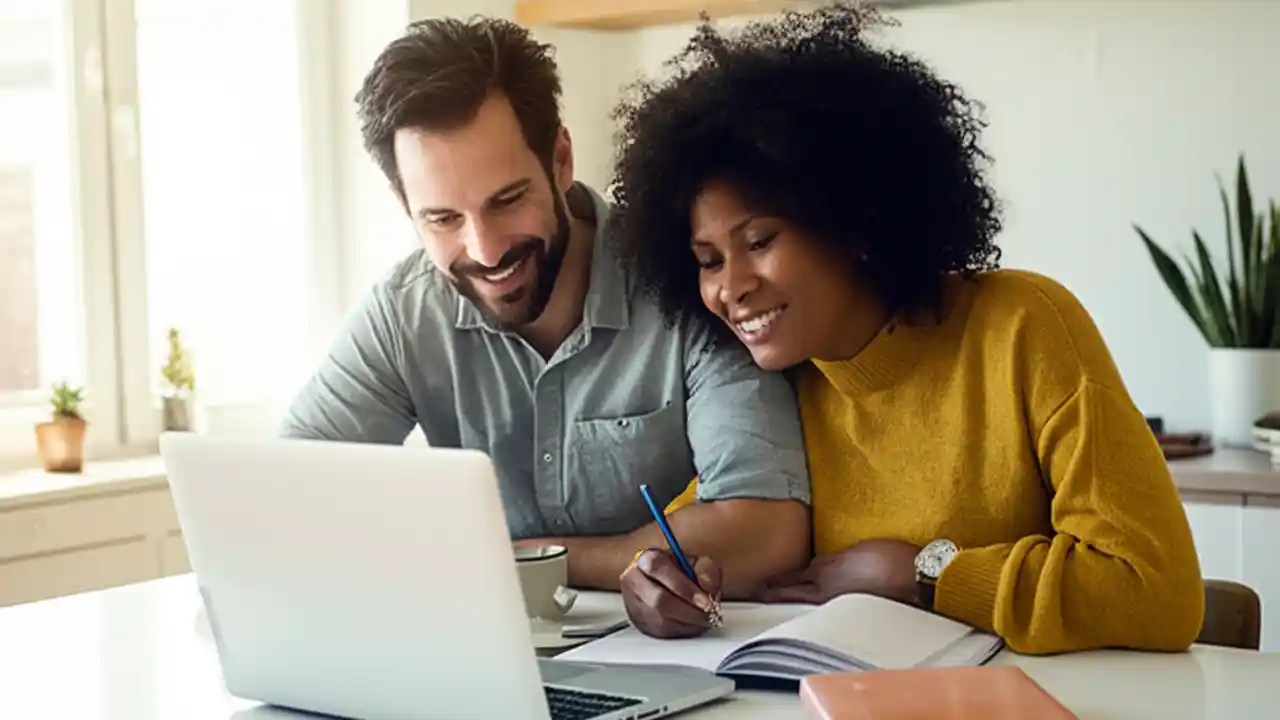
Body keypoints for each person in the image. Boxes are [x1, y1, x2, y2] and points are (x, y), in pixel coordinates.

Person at [609, 6, 1204, 653]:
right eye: (708, 261)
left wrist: (925, 574)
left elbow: (1156, 589)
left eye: (760, 240)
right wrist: (658, 581)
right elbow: (715, 534)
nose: (730, 287)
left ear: (853, 221)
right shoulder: (771, 382)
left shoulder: (1022, 327)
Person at [279, 17, 812, 594]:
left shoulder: (687, 281)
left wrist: (514, 561)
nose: (484, 250)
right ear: (404, 205)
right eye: (442, 218)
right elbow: (285, 501)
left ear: (560, 160)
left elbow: (767, 531)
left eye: (507, 200)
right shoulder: (404, 312)